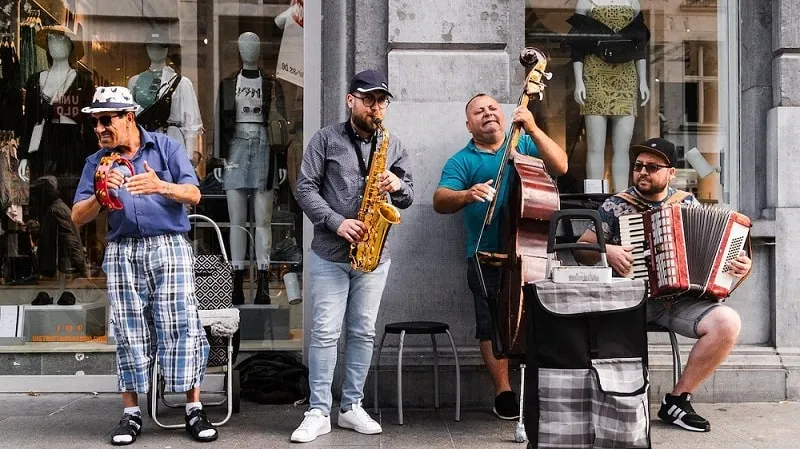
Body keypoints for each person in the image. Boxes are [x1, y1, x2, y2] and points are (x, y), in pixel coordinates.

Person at [71, 86, 217, 445]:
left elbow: (194, 193)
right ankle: (131, 413)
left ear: (129, 117)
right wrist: (100, 195)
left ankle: (193, 409)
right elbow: (77, 216)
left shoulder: (165, 148)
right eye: (95, 122)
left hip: (168, 245)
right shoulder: (97, 162)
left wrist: (159, 185)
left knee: (181, 322)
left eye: (107, 120)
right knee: (128, 327)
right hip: (122, 249)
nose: (100, 128)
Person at [574, 137, 752, 432]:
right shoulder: (617, 205)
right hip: (630, 300)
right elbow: (582, 250)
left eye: (652, 167)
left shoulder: (688, 204)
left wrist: (738, 266)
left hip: (680, 300)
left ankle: (677, 401)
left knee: (728, 323)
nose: (642, 172)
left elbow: (721, 263)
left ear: (671, 173)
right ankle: (615, 402)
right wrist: (609, 250)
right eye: (638, 166)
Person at [292, 69, 414, 443]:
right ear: (351, 100)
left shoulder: (392, 145)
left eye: (381, 101)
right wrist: (335, 221)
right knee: (326, 332)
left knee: (362, 332)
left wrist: (398, 184)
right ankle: (317, 411)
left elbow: (408, 194)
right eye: (369, 99)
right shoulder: (325, 139)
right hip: (331, 252)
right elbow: (304, 188)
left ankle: (351, 408)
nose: (376, 107)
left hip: (374, 257)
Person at [432, 93, 568, 419]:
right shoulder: (461, 161)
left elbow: (560, 165)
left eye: (493, 108)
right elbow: (440, 200)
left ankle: (542, 388)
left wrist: (533, 128)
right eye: (479, 112)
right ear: (469, 125)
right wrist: (466, 194)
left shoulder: (523, 145)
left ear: (504, 116)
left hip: (531, 252)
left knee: (539, 322)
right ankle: (503, 391)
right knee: (491, 325)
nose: (488, 113)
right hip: (485, 256)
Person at [215, 31, 283, 305]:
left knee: (263, 219)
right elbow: (220, 121)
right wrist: (219, 158)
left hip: (264, 146)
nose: (250, 49)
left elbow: (279, 123)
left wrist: (279, 159)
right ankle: (237, 280)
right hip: (235, 148)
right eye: (244, 45)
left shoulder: (271, 84)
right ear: (239, 50)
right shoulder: (228, 83)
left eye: (255, 44)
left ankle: (264, 280)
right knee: (236, 220)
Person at [568, 0, 650, 193]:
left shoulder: (632, 3)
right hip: (595, 75)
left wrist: (643, 81)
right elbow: (577, 46)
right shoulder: (586, 2)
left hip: (626, 76)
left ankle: (621, 197)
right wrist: (579, 81)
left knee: (622, 148)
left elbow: (639, 46)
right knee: (595, 148)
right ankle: (595, 196)